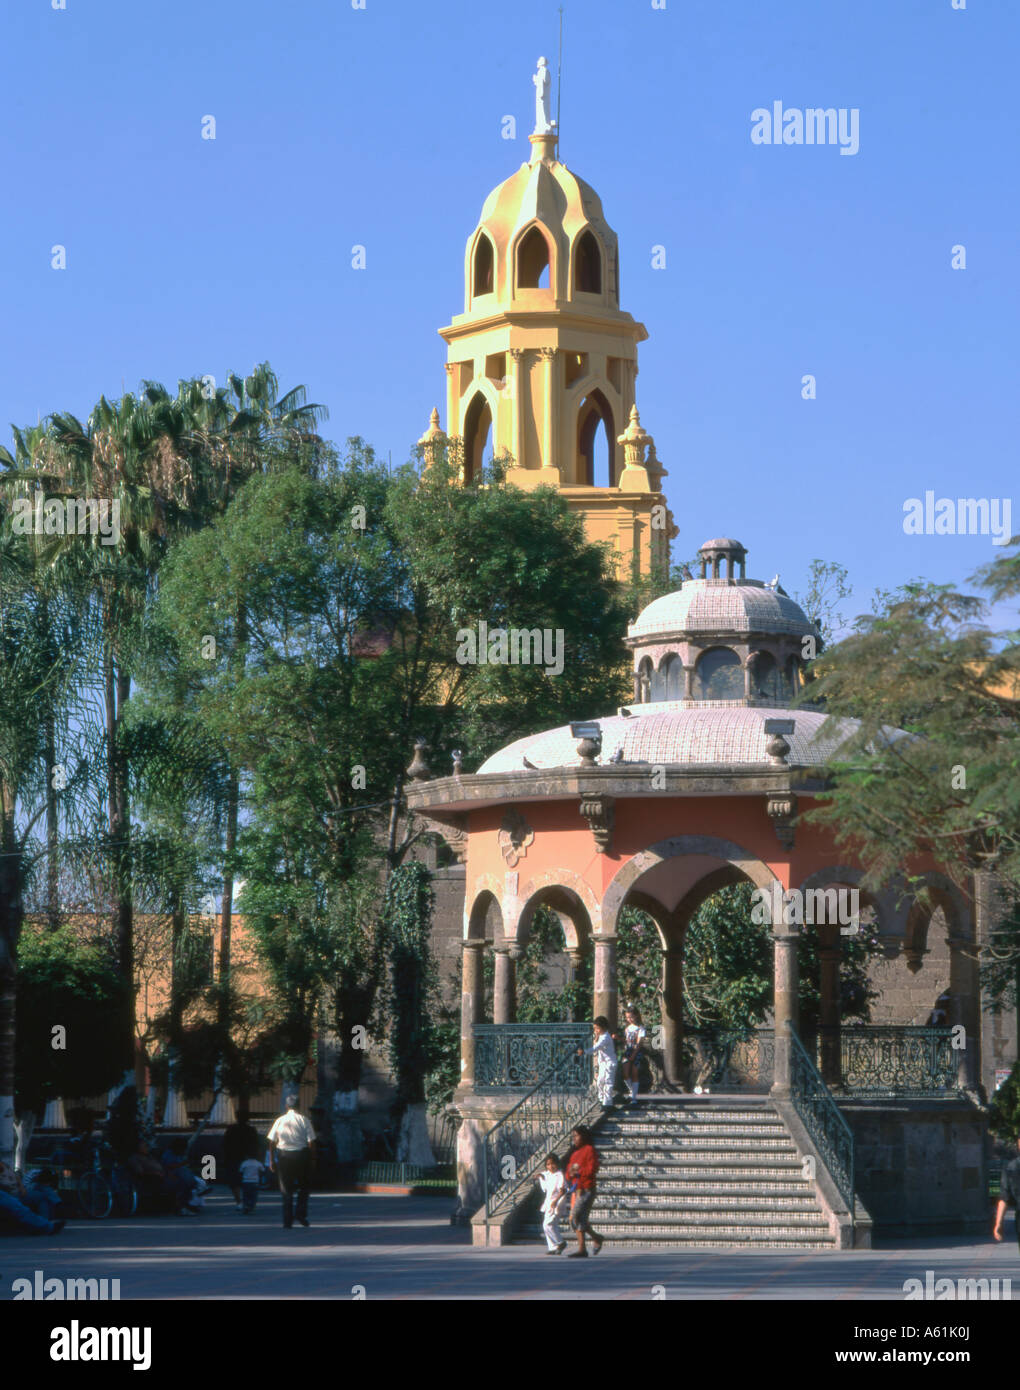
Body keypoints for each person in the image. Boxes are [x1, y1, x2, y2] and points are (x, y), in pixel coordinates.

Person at [267, 1093, 316, 1229]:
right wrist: (312, 1159)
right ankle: (300, 1213)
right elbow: (311, 1142)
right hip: (301, 1156)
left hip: (284, 1157)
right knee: (303, 1187)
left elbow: (271, 1142)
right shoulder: (304, 1120)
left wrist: (271, 1160)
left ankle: (287, 1221)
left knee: (286, 1189)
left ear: (287, 1105)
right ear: (299, 1106)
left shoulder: (280, 1120)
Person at [564, 1125, 603, 1258]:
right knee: (579, 1219)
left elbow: (592, 1169)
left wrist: (578, 1171)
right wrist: (570, 1173)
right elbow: (568, 1173)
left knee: (576, 1217)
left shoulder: (589, 1150)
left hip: (587, 1189)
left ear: (584, 1136)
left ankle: (587, 1244)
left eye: (576, 1135)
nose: (574, 1139)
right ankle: (590, 1242)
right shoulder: (574, 1154)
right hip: (578, 1190)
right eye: (573, 1136)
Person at [0, 1161, 65, 1235]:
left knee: (41, 1195)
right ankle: (45, 1225)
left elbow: (16, 1177)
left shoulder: (6, 1165)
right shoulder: (33, 1175)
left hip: (19, 1191)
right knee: (13, 1204)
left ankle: (46, 1220)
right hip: (9, 1193)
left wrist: (22, 1188)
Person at [223, 1110, 261, 1212]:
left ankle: (239, 1201)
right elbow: (256, 1144)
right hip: (247, 1157)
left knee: (234, 1181)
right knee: (247, 1181)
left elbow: (225, 1144)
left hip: (233, 1157)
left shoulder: (230, 1129)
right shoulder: (251, 1130)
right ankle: (247, 1202)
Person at [578, 1016, 618, 1111]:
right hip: (603, 1063)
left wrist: (584, 1051)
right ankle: (601, 1099)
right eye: (594, 1028)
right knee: (600, 1080)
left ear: (603, 1027)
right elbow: (596, 1043)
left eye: (597, 1028)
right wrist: (596, 1036)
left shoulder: (606, 1038)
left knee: (608, 1081)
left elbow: (596, 1048)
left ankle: (607, 1103)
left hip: (610, 1063)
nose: (596, 1030)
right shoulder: (600, 1036)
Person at [993, 1133, 1020, 1251]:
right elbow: (1004, 1197)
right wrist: (999, 1223)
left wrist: (999, 1223)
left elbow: (1004, 1197)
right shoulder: (1012, 1168)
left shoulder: (1011, 1167)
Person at [535, 1153, 567, 1255]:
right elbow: (544, 1188)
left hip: (557, 1202)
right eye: (548, 1164)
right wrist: (540, 1177)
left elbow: (563, 1191)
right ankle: (553, 1247)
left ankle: (560, 1242)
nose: (551, 1166)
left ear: (557, 1164)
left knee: (547, 1224)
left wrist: (555, 1201)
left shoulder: (560, 1175)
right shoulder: (547, 1174)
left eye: (553, 1164)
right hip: (549, 1203)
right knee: (550, 1225)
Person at [622, 1005, 646, 1105]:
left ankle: (634, 1098)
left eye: (631, 1017)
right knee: (625, 1074)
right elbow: (627, 1041)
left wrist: (634, 1054)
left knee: (634, 1073)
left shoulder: (641, 1028)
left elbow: (639, 1043)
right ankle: (632, 1091)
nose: (629, 1019)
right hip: (627, 1051)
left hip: (637, 1053)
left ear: (636, 1016)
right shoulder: (627, 1028)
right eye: (627, 1017)